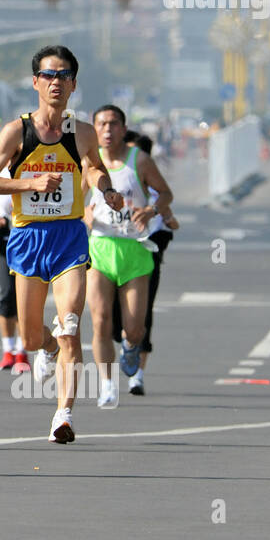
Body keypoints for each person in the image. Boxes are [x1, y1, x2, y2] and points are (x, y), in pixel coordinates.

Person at [0, 46, 122, 444]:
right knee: (29, 337)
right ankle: (46, 348)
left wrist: (105, 190)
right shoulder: (15, 132)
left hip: (69, 236)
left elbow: (94, 166)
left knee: (70, 325)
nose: (56, 82)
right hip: (27, 237)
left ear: (74, 84)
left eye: (64, 75)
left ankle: (63, 415)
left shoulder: (83, 132)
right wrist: (29, 183)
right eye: (48, 74)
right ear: (35, 82)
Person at [83, 107, 174, 408]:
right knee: (100, 320)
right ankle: (107, 385)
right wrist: (85, 215)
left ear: (123, 128)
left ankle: (132, 347)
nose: (107, 129)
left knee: (134, 328)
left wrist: (151, 209)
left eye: (113, 124)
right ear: (94, 129)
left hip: (134, 250)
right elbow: (77, 200)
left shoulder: (140, 160)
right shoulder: (89, 161)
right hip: (101, 248)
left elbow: (165, 194)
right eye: (101, 124)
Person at [110, 131, 180, 396]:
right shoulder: (111, 180)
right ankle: (124, 343)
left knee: (143, 315)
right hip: (114, 253)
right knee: (114, 317)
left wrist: (160, 217)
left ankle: (137, 375)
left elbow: (171, 220)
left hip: (146, 256)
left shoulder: (153, 189)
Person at [0, 169, 25, 374]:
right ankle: (8, 350)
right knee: (7, 293)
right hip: (5, 238)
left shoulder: (33, 164)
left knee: (25, 297)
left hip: (29, 236)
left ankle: (22, 350)